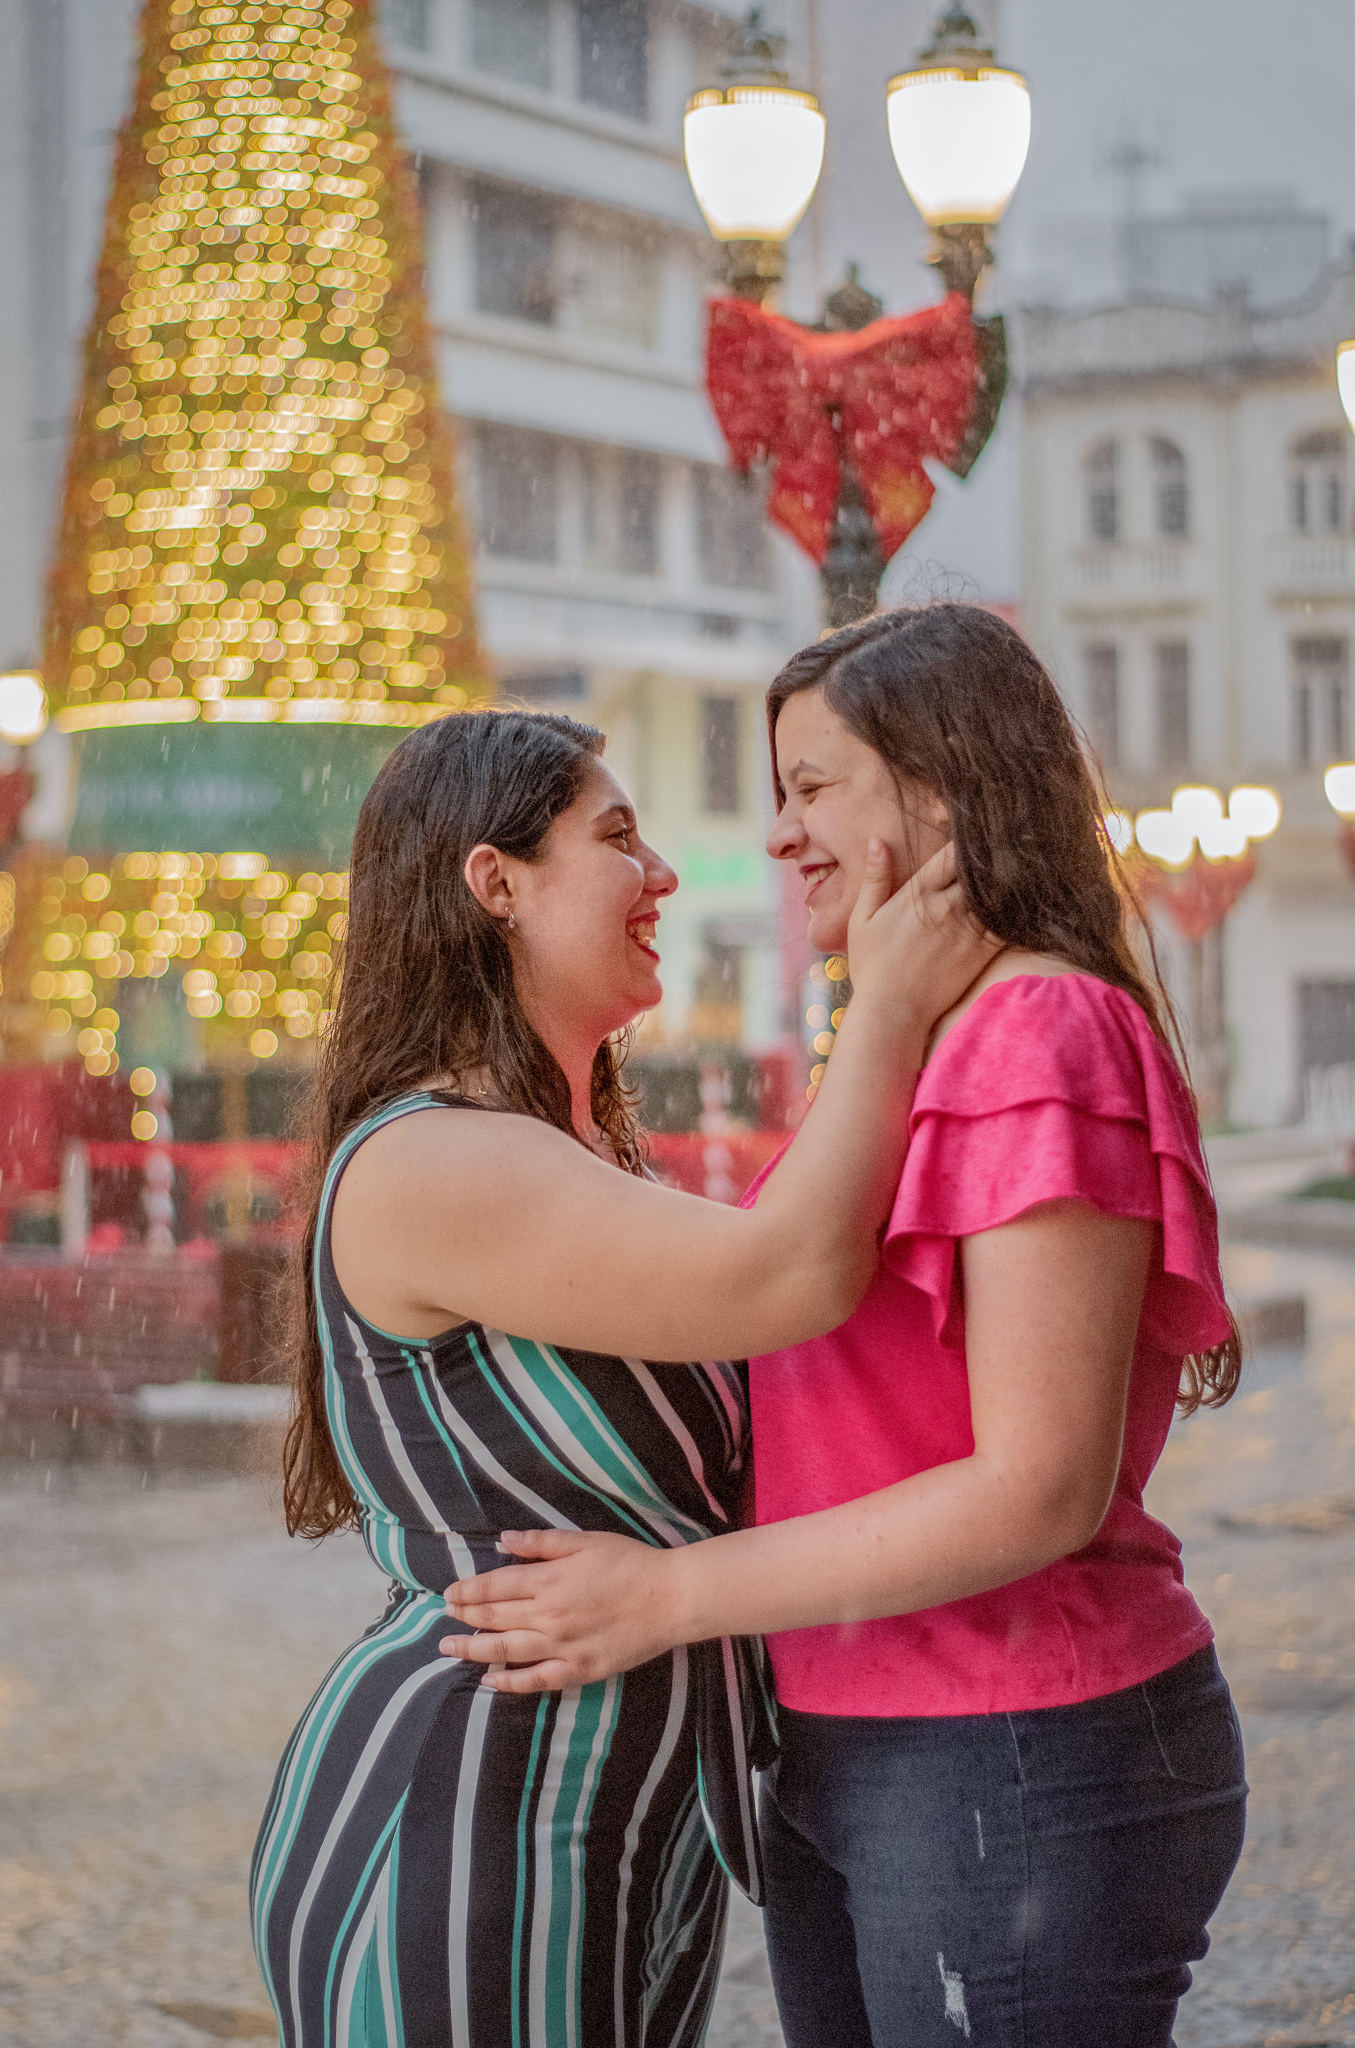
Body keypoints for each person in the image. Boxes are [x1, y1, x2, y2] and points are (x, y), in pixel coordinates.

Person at [439, 608, 1249, 2048]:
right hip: (865, 1732)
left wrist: (663, 1597)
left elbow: (1040, 1483)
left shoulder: (1033, 1026)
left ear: (942, 788)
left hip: (1009, 1738)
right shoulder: (923, 1030)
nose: (778, 836)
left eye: (814, 789)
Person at [250, 705, 995, 2048]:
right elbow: (789, 1279)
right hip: (480, 1808)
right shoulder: (435, 1157)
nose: (660, 876)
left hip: (607, 1811)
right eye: (616, 839)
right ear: (495, 884)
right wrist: (882, 1003)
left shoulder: (567, 1150)